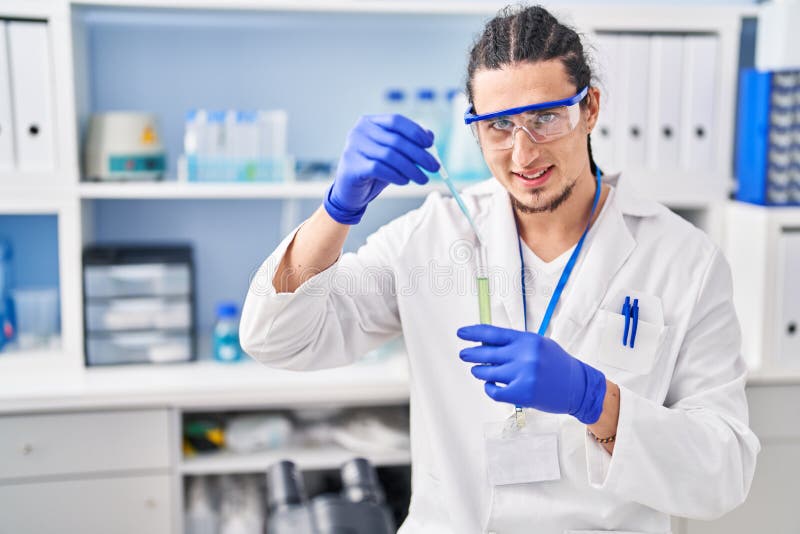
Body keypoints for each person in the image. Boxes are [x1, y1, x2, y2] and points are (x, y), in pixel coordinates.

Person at [240, 5, 759, 533]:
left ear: (591, 108)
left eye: (545, 118)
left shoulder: (683, 260)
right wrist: (337, 209)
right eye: (499, 126)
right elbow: (277, 338)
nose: (522, 153)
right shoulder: (433, 236)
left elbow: (725, 472)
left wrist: (596, 399)